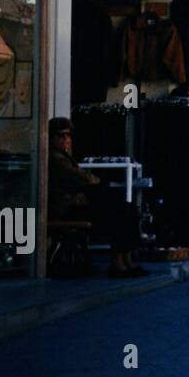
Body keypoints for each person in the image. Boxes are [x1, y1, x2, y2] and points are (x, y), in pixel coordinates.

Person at [48, 117, 146, 277]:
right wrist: (96, 180)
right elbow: (83, 178)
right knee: (119, 211)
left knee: (126, 208)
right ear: (52, 138)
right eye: (60, 136)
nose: (65, 139)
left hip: (75, 204)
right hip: (67, 208)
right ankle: (118, 261)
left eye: (68, 136)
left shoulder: (63, 156)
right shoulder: (55, 158)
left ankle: (126, 257)